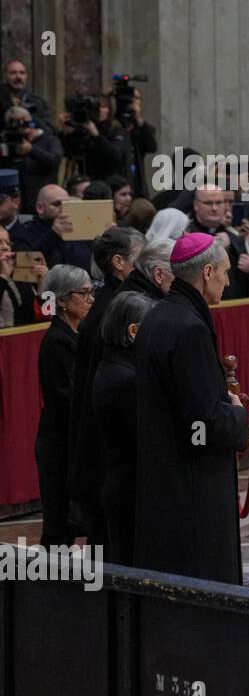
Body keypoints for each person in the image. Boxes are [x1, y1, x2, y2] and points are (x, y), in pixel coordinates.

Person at [133, 233, 249, 584]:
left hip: (163, 474)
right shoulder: (189, 328)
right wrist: (238, 413)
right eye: (226, 272)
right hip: (193, 484)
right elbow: (204, 420)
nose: (228, 281)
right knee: (202, 582)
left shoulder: (159, 314)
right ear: (207, 271)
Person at [65, 226, 145, 543]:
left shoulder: (115, 302)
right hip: (103, 447)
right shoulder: (113, 310)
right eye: (140, 258)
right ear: (119, 262)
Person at [92, 290, 158, 564]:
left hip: (122, 482)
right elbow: (146, 436)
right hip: (132, 488)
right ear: (133, 330)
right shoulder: (126, 379)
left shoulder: (112, 365)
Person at [35, 264, 94, 546]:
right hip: (60, 445)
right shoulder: (58, 342)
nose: (90, 299)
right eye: (83, 293)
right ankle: (45, 586)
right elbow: (66, 399)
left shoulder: (75, 335)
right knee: (59, 525)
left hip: (69, 441)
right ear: (62, 300)